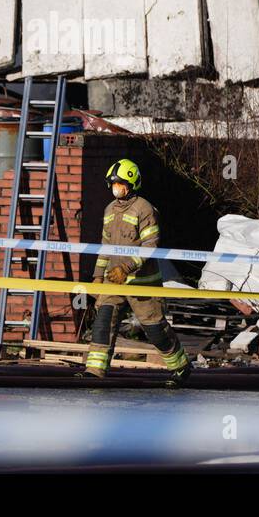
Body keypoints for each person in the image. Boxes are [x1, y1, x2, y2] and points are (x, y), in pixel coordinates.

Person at [83, 158, 190, 383]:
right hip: (114, 280)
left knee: (155, 330)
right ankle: (94, 372)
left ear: (131, 184)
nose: (115, 188)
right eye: (112, 183)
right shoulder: (109, 210)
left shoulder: (145, 209)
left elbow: (151, 245)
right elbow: (105, 246)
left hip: (143, 283)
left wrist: (127, 267)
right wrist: (97, 276)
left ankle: (180, 367)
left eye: (119, 183)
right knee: (103, 323)